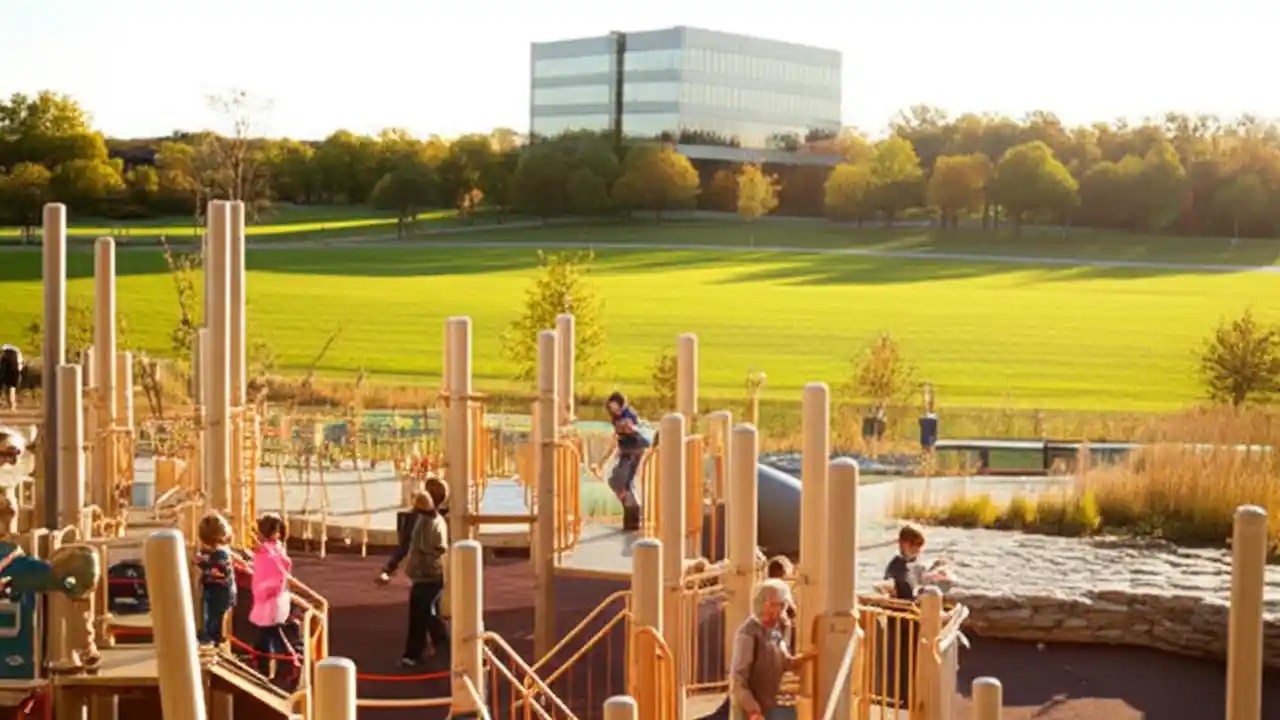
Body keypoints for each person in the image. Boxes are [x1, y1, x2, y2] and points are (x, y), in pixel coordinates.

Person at [377, 488, 449, 667]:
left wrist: (393, 566)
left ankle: (414, 654)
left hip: (428, 575)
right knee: (428, 613)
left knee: (419, 615)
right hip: (427, 575)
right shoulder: (431, 521)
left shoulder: (429, 523)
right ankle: (441, 645)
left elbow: (432, 547)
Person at [728, 579, 814, 720]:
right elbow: (738, 680)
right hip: (749, 713)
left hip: (768, 707)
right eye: (781, 605)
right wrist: (753, 710)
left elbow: (784, 660)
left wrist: (805, 657)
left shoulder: (774, 630)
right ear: (767, 604)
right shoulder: (748, 634)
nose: (783, 611)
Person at [250, 513, 296, 678]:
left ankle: (289, 660)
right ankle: (259, 661)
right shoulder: (274, 549)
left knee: (271, 632)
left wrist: (265, 590)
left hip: (270, 599)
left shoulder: (271, 551)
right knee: (266, 633)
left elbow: (275, 572)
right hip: (271, 598)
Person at [605, 392, 649, 532]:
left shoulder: (628, 414)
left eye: (616, 407)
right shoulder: (616, 418)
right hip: (626, 451)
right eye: (612, 408)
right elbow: (618, 437)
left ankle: (634, 511)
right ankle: (632, 514)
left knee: (619, 480)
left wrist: (628, 428)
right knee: (622, 482)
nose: (614, 410)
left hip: (633, 451)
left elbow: (633, 427)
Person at [195, 513, 236, 646]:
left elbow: (218, 572)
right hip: (220, 592)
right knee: (213, 619)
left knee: (214, 620)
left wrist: (202, 565)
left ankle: (212, 640)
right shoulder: (221, 551)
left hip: (219, 593)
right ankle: (212, 637)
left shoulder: (220, 554)